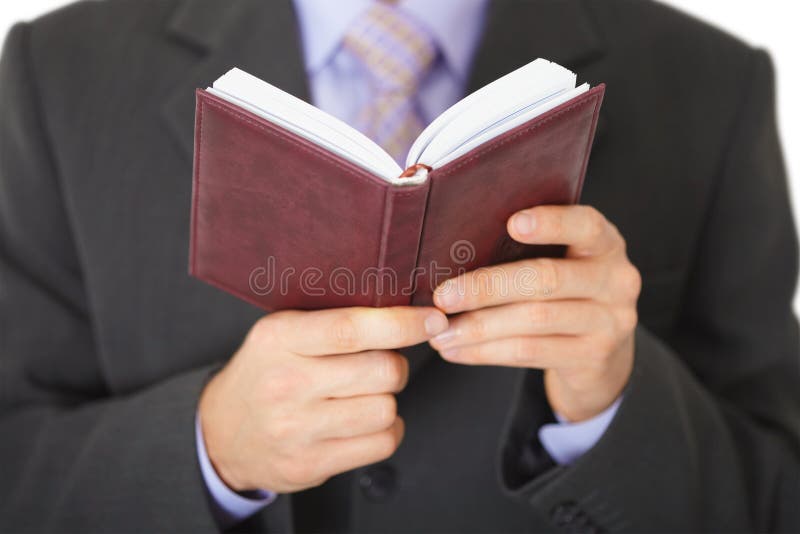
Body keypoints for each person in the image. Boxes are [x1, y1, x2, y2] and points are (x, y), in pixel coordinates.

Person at [1, 0, 798, 532]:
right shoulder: (59, 71)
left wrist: (615, 400)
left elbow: (778, 494)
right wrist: (210, 448)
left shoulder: (711, 84)